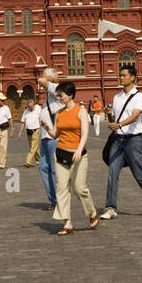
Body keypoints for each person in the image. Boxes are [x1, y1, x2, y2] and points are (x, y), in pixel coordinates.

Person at [99, 64, 142, 220]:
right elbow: (114, 120)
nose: (121, 77)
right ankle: (110, 207)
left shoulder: (139, 96)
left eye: (124, 75)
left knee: (139, 174)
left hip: (133, 140)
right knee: (113, 172)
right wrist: (109, 116)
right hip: (118, 140)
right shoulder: (117, 97)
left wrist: (120, 124)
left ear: (132, 77)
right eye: (120, 75)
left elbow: (135, 115)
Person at [42, 80, 97, 235]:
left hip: (78, 154)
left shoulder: (81, 111)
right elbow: (55, 134)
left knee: (79, 188)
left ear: (70, 95)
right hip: (60, 153)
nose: (58, 98)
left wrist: (79, 150)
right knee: (62, 189)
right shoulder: (59, 113)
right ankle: (67, 223)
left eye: (61, 95)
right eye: (58, 95)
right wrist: (47, 127)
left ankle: (92, 212)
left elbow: (85, 133)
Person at [35, 68, 61, 212]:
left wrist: (48, 78)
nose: (41, 78)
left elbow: (40, 81)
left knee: (53, 169)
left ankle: (58, 200)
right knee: (43, 167)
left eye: (45, 76)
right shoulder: (50, 94)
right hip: (45, 137)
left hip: (54, 138)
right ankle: (53, 199)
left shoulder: (56, 89)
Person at [21, 96, 43, 168]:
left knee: (33, 146)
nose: (30, 108)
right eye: (28, 107)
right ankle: (39, 160)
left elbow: (42, 117)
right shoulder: (26, 111)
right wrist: (20, 131)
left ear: (34, 105)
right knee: (33, 146)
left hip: (36, 129)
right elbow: (23, 122)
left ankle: (28, 161)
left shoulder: (38, 109)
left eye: (31, 107)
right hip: (28, 131)